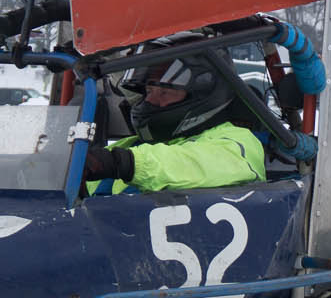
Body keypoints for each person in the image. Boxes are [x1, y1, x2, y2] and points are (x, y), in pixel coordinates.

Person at [81, 38, 265, 194]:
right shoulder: (132, 146)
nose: (149, 101)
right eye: (149, 90)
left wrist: (124, 163)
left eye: (164, 92)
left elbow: (193, 165)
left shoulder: (238, 144)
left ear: (201, 95)